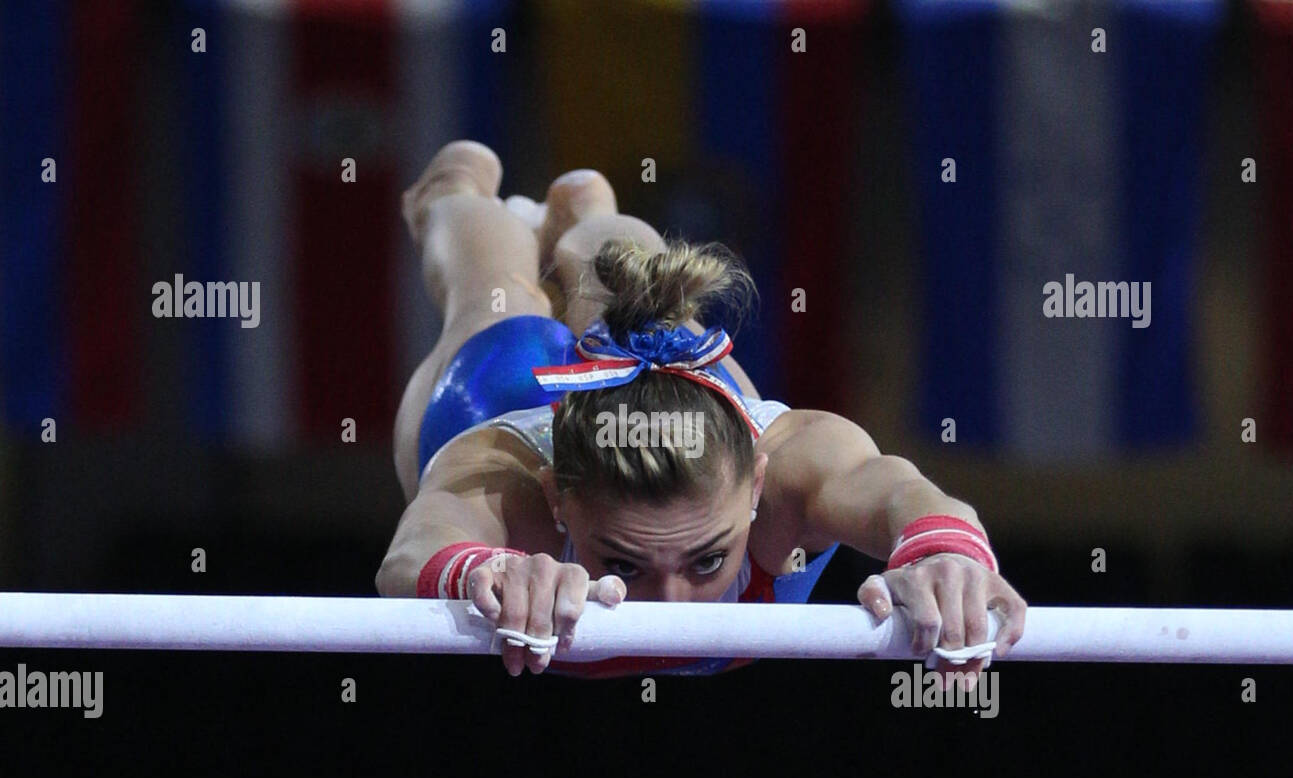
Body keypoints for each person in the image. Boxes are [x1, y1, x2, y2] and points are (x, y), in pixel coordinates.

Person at [377, 141, 1026, 680]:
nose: (670, 605)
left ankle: (592, 217)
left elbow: (901, 494)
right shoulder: (504, 477)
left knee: (625, 283)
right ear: (557, 499)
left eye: (708, 560)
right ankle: (450, 194)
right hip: (508, 395)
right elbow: (410, 553)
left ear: (760, 486)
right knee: (493, 290)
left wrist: (945, 553)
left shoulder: (797, 467)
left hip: (675, 397)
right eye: (625, 563)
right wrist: (483, 570)